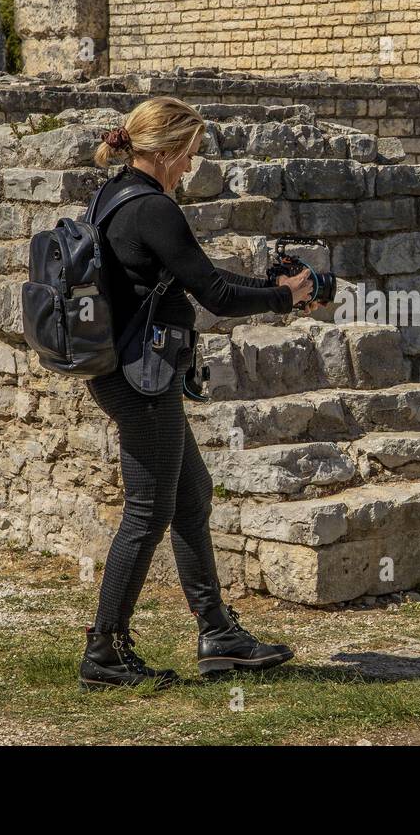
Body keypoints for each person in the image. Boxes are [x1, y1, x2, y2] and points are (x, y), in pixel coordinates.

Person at [78, 97, 315, 690]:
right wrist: (285, 298)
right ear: (164, 152)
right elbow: (215, 295)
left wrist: (271, 285)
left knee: (190, 497)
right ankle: (104, 652)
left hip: (126, 369)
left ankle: (218, 636)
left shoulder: (116, 195)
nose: (191, 166)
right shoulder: (153, 207)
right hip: (141, 378)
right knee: (147, 510)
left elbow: (199, 278)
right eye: (188, 155)